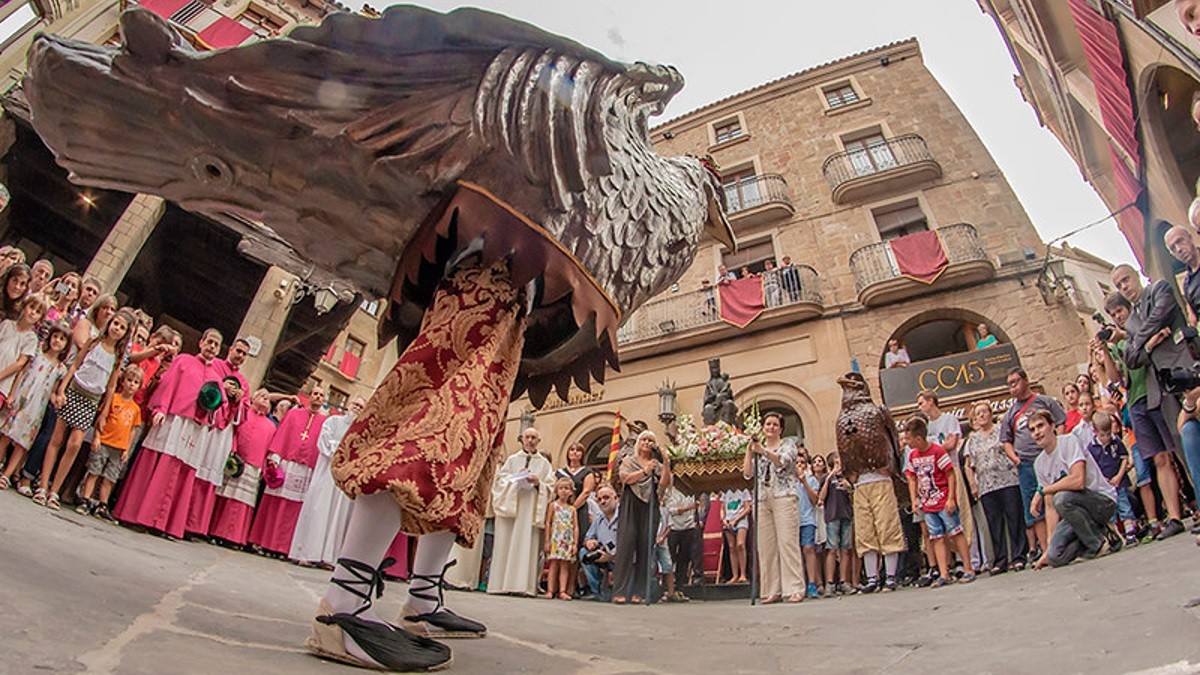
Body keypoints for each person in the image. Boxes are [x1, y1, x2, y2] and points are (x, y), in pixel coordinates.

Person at [1110, 263, 1187, 539]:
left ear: (1136, 276)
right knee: (1175, 448)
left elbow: (1160, 316)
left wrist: (1136, 339)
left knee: (1184, 445)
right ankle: (1175, 517)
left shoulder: (1159, 290)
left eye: (1126, 280)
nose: (1124, 287)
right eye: (1119, 285)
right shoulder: (1131, 321)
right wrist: (1149, 342)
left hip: (1181, 374)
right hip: (1157, 391)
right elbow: (1131, 358)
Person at [35, 307, 132, 510]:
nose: (117, 328)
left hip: (91, 401)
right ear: (109, 324)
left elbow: (111, 387)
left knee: (75, 444)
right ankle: (43, 486)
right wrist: (62, 389)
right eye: (115, 323)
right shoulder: (94, 342)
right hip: (74, 390)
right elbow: (75, 365)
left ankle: (55, 490)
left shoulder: (118, 356)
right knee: (57, 439)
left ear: (125, 334)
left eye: (122, 327)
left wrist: (104, 413)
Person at [1028, 410, 1119, 568]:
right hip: (1076, 512)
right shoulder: (1039, 463)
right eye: (1032, 429)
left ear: (1053, 426)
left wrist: (1044, 490)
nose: (1037, 432)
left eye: (1040, 426)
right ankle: (1104, 535)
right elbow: (1050, 507)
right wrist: (1049, 547)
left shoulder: (1069, 441)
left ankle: (1097, 545)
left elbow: (1078, 481)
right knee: (1055, 557)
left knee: (1062, 498)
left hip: (1101, 501)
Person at [248, 386, 328, 556]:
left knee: (293, 510)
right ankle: (265, 543)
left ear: (324, 400)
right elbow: (283, 434)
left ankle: (283, 548)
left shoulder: (325, 422)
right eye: (315, 394)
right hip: (287, 464)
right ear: (309, 396)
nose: (318, 397)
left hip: (305, 469)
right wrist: (275, 458)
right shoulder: (293, 414)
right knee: (274, 504)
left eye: (321, 395)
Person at [290, 396, 366, 566]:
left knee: (337, 518)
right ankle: (307, 554)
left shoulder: (361, 430)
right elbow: (324, 442)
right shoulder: (333, 421)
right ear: (348, 405)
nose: (357, 408)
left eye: (361, 407)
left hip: (344, 480)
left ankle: (329, 558)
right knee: (318, 511)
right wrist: (343, 451)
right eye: (355, 404)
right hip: (326, 475)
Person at [999, 366, 1064, 560]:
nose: (1013, 387)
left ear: (1025, 380)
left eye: (1015, 382)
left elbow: (1061, 422)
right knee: (1035, 509)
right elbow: (1006, 441)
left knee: (1057, 498)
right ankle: (1045, 549)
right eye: (1009, 384)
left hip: (1050, 457)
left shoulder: (1045, 402)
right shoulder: (1010, 414)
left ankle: (1062, 543)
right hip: (1026, 464)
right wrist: (1016, 459)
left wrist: (1058, 445)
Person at [904, 416, 976, 586]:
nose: (906, 442)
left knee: (955, 532)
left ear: (918, 438)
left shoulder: (937, 451)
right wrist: (914, 499)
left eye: (909, 438)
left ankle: (968, 568)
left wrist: (951, 498)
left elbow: (950, 473)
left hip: (942, 499)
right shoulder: (913, 455)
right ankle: (944, 573)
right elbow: (912, 477)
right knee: (936, 536)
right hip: (927, 503)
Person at [0, 319, 69, 491]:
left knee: (22, 444)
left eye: (62, 339)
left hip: (36, 409)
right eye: (55, 336)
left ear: (65, 346)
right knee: (6, 435)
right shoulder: (37, 354)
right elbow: (22, 373)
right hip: (21, 399)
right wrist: (12, 393)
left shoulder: (60, 369)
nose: (57, 341)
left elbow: (53, 390)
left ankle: (6, 475)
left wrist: (58, 398)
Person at [743, 411, 804, 604]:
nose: (771, 427)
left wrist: (763, 451)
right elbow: (747, 474)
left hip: (783, 495)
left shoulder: (788, 444)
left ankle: (794, 588)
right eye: (768, 424)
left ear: (780, 429)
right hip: (762, 497)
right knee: (766, 546)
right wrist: (749, 450)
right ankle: (771, 589)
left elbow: (782, 461)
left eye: (775, 425)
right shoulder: (758, 448)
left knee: (787, 542)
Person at [488, 427, 554, 596]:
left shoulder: (544, 464)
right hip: (512, 510)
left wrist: (538, 483)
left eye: (533, 438)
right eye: (527, 437)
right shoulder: (512, 460)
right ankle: (501, 585)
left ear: (539, 441)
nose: (530, 440)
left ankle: (524, 587)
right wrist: (514, 480)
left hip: (530, 511)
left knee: (527, 546)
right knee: (506, 545)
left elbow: (551, 487)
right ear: (522, 439)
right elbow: (499, 482)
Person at [962, 401, 1026, 574]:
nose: (982, 415)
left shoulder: (1001, 431)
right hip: (986, 485)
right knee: (994, 523)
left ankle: (1019, 556)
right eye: (978, 413)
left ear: (991, 414)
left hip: (1008, 479)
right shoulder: (972, 439)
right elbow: (969, 464)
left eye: (984, 412)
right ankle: (1000, 560)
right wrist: (973, 484)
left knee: (1014, 518)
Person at [209, 388, 275, 546]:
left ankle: (234, 537)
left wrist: (264, 466)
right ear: (253, 399)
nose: (265, 399)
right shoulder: (244, 414)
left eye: (267, 398)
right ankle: (216, 531)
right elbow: (234, 433)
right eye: (262, 396)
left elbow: (269, 450)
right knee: (226, 497)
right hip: (236, 461)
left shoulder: (271, 426)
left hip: (254, 465)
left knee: (242, 502)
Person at [75, 365, 143, 521]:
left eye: (136, 382)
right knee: (94, 471)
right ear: (122, 381)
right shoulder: (113, 399)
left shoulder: (136, 409)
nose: (131, 385)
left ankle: (102, 505)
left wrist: (126, 449)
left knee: (110, 478)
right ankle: (85, 499)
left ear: (139, 386)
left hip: (119, 448)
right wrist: (97, 437)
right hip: (104, 442)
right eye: (129, 380)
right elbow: (101, 419)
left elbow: (132, 430)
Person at [612, 430, 671, 604]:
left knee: (646, 546)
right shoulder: (629, 460)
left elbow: (665, 483)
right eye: (644, 439)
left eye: (650, 440)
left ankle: (639, 592)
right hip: (631, 503)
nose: (647, 442)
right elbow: (625, 478)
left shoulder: (655, 464)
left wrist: (666, 463)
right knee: (627, 543)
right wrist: (644, 472)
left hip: (650, 504)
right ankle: (620, 591)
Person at [1086, 412, 1139, 547]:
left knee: (1124, 506)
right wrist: (1102, 479)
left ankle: (1130, 532)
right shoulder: (1091, 448)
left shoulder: (1116, 442)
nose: (1106, 438)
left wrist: (1119, 476)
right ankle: (1116, 536)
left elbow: (1124, 458)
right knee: (1110, 512)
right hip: (1104, 487)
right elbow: (1092, 467)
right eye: (1102, 435)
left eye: (1108, 434)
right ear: (1095, 432)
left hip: (1118, 482)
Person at [555, 441, 595, 595]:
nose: (575, 452)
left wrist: (572, 508)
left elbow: (586, 492)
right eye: (572, 450)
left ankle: (571, 587)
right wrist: (563, 508)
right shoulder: (560, 473)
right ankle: (556, 587)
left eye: (578, 450)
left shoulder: (587, 472)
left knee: (574, 548)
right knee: (559, 547)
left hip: (578, 512)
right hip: (560, 513)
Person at [819, 451, 854, 596]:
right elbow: (821, 497)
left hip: (846, 514)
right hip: (832, 515)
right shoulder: (825, 477)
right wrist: (830, 477)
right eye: (837, 459)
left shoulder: (846, 477)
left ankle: (844, 581)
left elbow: (853, 494)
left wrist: (849, 486)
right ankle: (830, 582)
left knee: (845, 549)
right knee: (832, 549)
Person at [580, 484, 619, 600]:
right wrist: (589, 542)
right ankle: (596, 591)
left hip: (622, 558)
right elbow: (587, 538)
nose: (602, 501)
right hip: (602, 555)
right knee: (584, 552)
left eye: (606, 497)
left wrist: (612, 556)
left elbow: (630, 544)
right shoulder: (598, 517)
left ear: (616, 498)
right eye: (599, 499)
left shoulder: (624, 516)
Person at [543, 476, 579, 600]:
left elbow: (575, 527)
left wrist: (575, 543)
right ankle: (550, 590)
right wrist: (547, 540)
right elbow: (548, 523)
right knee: (553, 564)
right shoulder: (553, 506)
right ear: (557, 490)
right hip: (555, 539)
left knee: (565, 565)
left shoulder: (572, 509)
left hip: (567, 540)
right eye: (561, 488)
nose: (564, 491)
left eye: (566, 488)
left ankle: (562, 590)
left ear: (571, 492)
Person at [663, 483, 702, 596]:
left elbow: (697, 507)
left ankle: (680, 587)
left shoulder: (691, 491)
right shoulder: (669, 491)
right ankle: (667, 587)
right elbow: (670, 510)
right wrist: (689, 508)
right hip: (673, 528)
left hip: (688, 527)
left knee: (684, 558)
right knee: (669, 558)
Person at [796, 447, 823, 599]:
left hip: (807, 519)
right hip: (793, 521)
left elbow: (815, 499)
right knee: (796, 552)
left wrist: (804, 482)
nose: (799, 465)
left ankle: (812, 583)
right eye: (797, 463)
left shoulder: (811, 480)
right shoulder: (788, 482)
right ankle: (799, 583)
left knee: (808, 548)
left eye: (802, 463)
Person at [720, 486, 750, 584]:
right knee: (731, 547)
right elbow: (722, 508)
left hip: (740, 520)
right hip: (728, 520)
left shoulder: (744, 490)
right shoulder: (725, 491)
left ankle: (743, 574)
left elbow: (747, 508)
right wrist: (723, 519)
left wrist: (736, 519)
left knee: (740, 545)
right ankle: (735, 575)